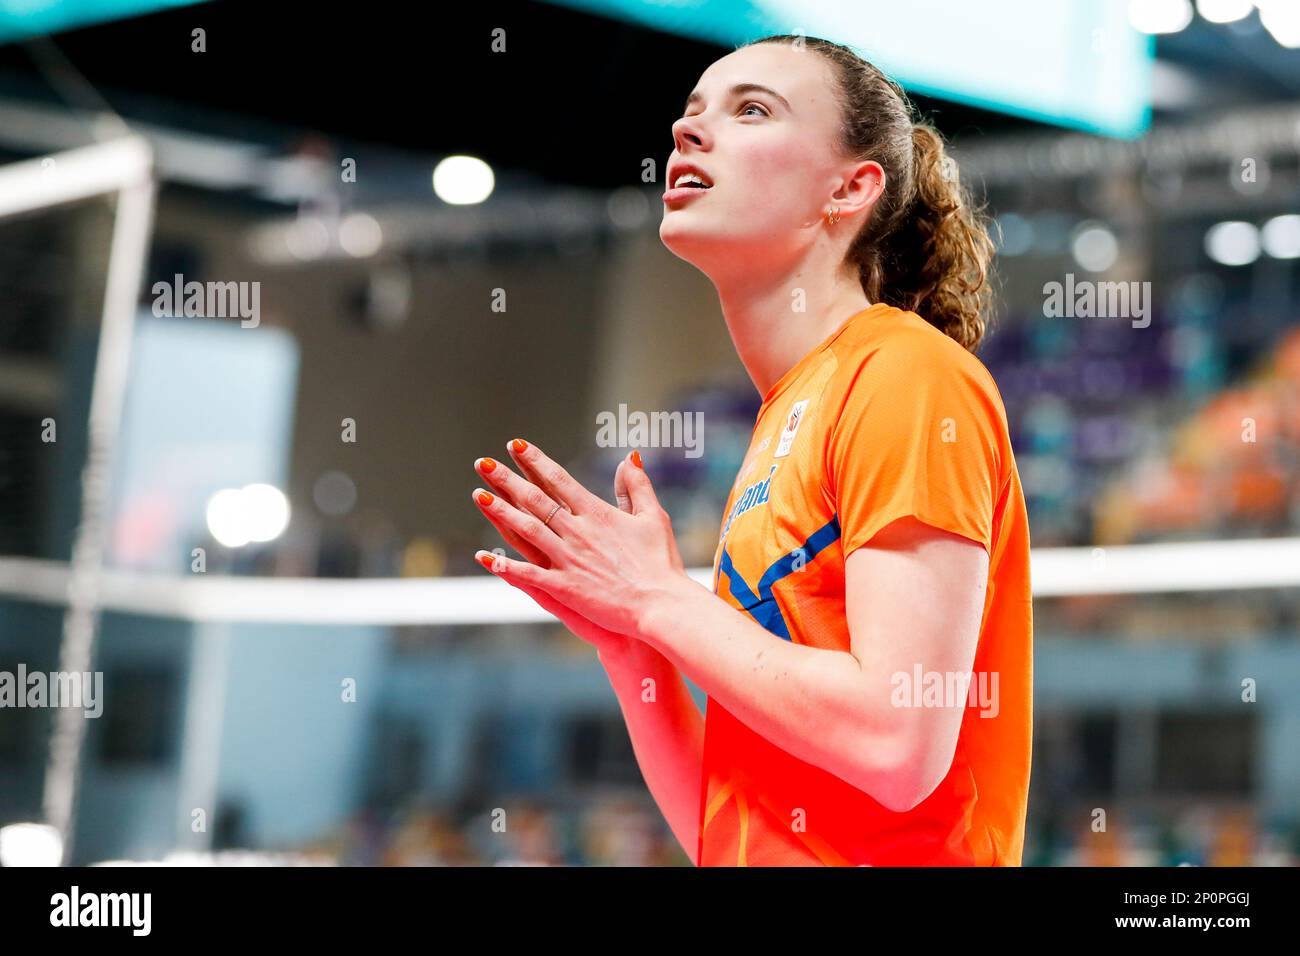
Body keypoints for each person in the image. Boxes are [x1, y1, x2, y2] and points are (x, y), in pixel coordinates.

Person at [468, 34, 1032, 866]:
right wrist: (630, 643)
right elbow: (725, 829)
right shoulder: (785, 417)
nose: (687, 132)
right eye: (691, 113)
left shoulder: (906, 376)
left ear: (849, 189)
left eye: (751, 110)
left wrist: (659, 600)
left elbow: (898, 743)